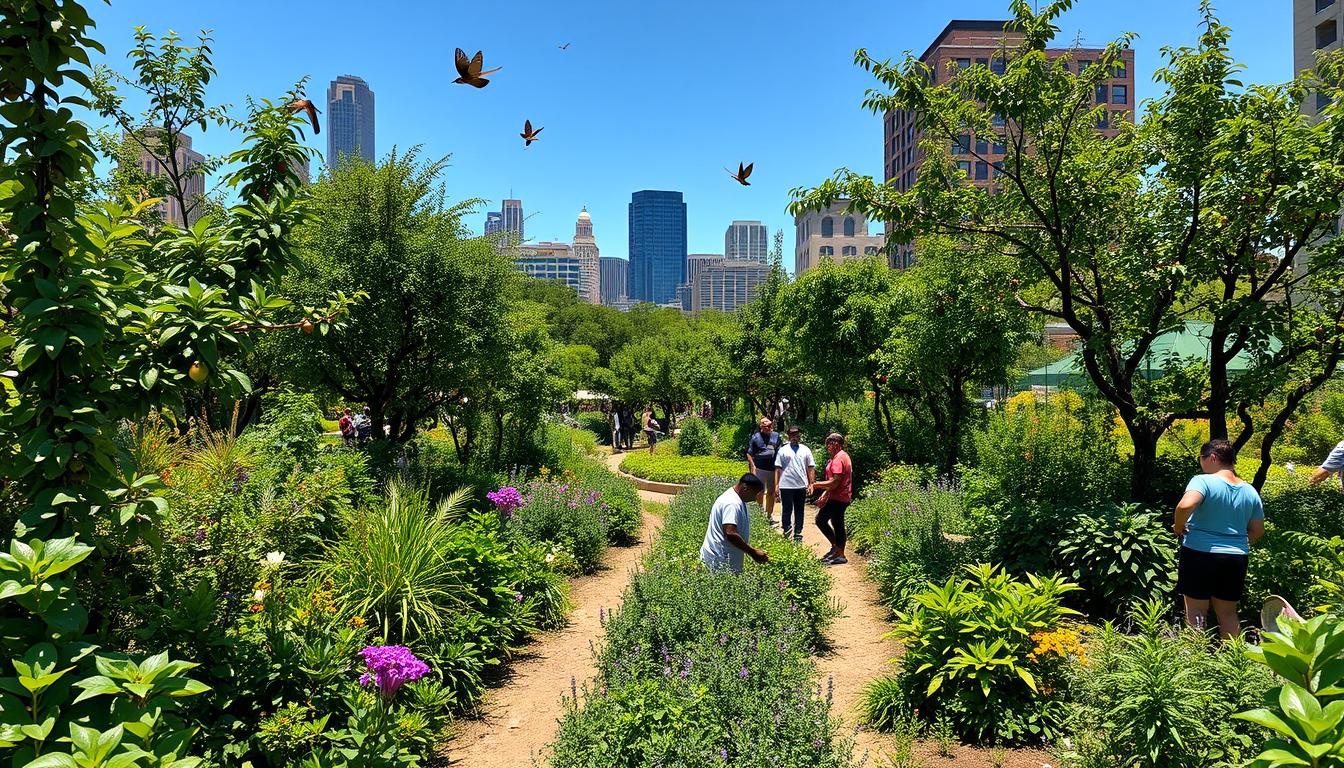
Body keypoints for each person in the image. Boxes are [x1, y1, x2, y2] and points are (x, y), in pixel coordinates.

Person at [1174, 438, 1265, 638]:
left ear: (1212, 457)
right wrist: (1235, 542)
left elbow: (1185, 505)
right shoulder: (1250, 491)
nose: (1201, 463)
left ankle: (1195, 661)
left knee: (1196, 611)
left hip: (1199, 553)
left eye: (1202, 459)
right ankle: (1232, 663)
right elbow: (1258, 531)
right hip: (1236, 557)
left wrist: (1178, 526)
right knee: (1228, 613)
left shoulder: (1203, 481)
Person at [699, 473, 770, 573]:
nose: (755, 498)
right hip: (720, 561)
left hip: (723, 559)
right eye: (755, 494)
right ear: (745, 488)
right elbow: (730, 533)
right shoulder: (732, 503)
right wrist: (753, 552)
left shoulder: (735, 498)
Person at [813, 432, 853, 565]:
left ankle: (838, 551)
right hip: (840, 496)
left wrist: (816, 485)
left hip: (838, 497)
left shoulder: (838, 459)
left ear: (836, 444)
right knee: (837, 523)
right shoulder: (842, 456)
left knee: (822, 520)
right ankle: (837, 551)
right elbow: (835, 482)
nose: (827, 446)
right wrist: (825, 494)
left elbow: (835, 482)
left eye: (829, 443)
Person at [774, 425, 816, 542]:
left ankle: (798, 531)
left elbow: (811, 467)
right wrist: (776, 485)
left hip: (801, 485)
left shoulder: (805, 450)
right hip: (786, 485)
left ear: (799, 436)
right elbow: (777, 468)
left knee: (799, 509)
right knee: (786, 509)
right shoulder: (783, 450)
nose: (794, 437)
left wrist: (811, 483)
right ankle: (786, 530)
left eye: (796, 435)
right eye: (792, 435)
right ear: (788, 436)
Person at [746, 417, 783, 526]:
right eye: (765, 426)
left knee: (771, 493)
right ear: (761, 426)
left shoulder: (776, 436)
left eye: (769, 426)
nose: (767, 428)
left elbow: (780, 451)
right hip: (760, 469)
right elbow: (749, 453)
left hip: (773, 469)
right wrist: (752, 466)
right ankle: (759, 514)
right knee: (760, 492)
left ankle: (769, 515)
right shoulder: (755, 437)